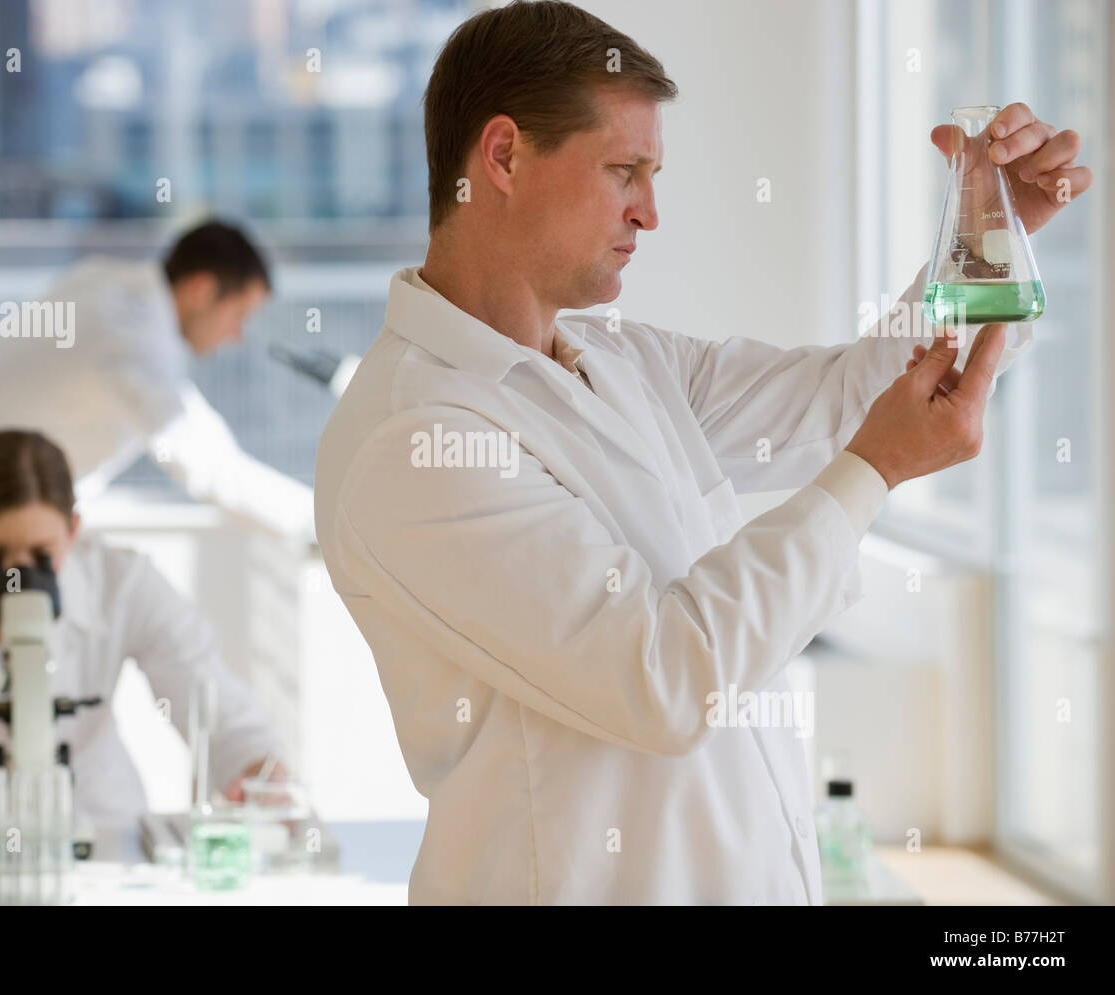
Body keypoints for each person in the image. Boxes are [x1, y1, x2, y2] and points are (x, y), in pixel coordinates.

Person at [313, 0, 1091, 904]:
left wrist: (992, 237)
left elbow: (849, 398)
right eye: (623, 171)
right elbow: (664, 677)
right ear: (503, 156)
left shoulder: (620, 358)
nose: (650, 212)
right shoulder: (413, 440)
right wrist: (874, 471)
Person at [0, 219, 312, 648]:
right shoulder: (126, 333)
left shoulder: (111, 289)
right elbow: (205, 463)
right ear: (202, 289)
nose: (237, 335)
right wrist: (318, 528)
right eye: (239, 315)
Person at [0, 430, 291, 829]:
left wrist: (262, 782)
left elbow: (221, 716)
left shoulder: (123, 585)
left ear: (74, 530)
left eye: (42, 556)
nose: (19, 578)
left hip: (99, 833)